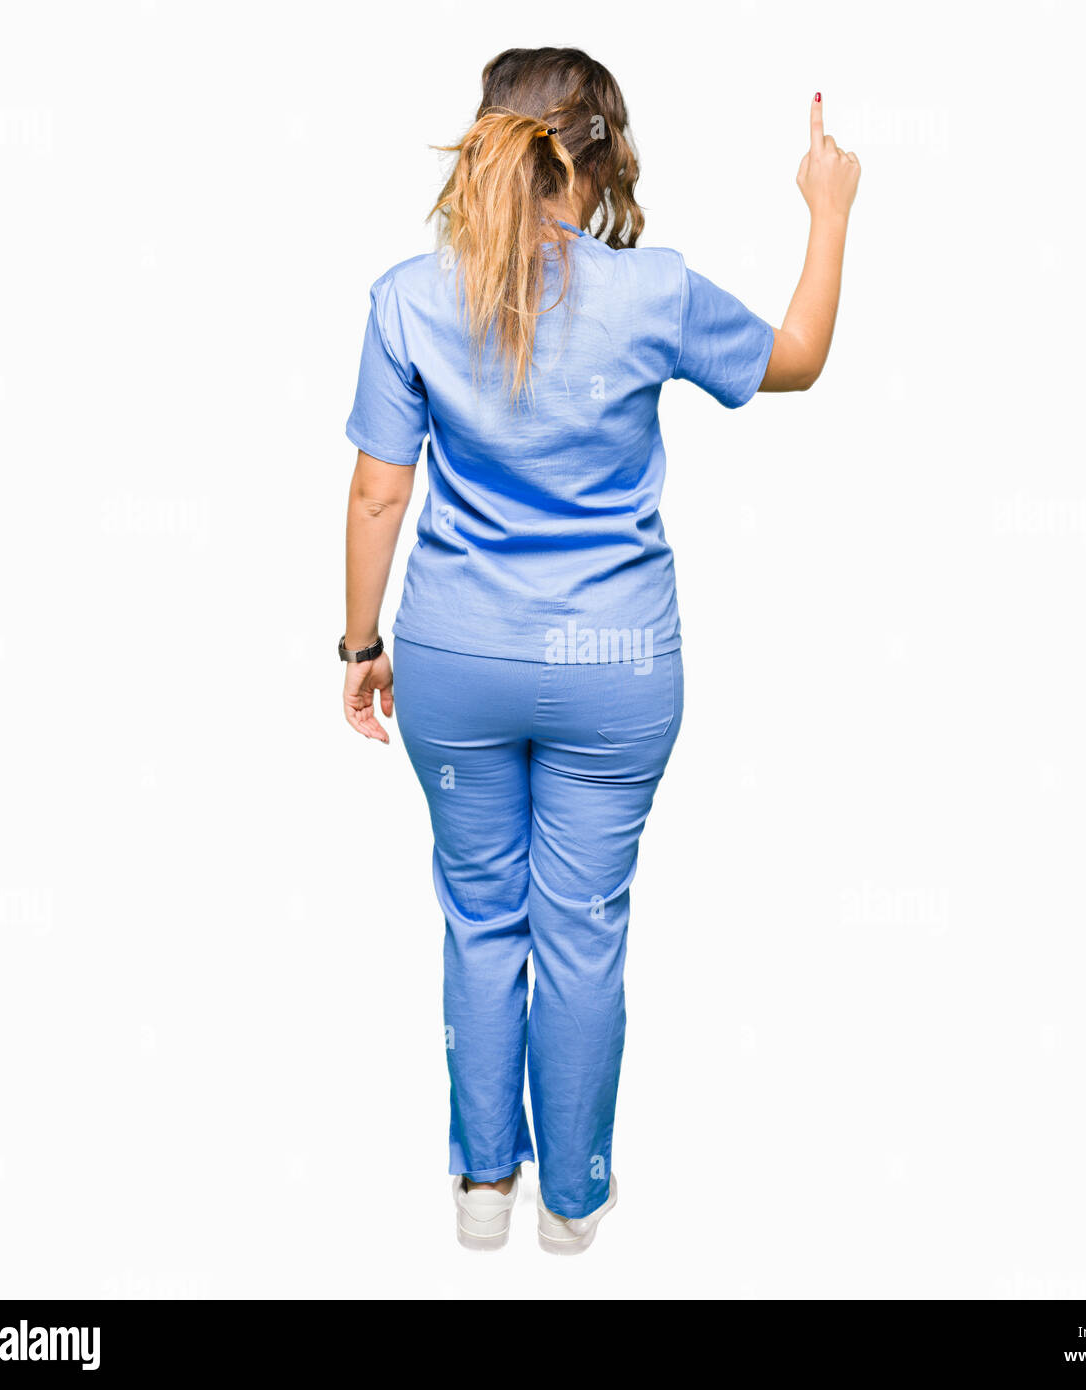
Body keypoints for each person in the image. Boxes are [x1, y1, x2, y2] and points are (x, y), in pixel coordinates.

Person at [340, 47, 860, 1253]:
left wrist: (360, 644)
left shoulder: (409, 296)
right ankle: (572, 1201)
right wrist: (826, 212)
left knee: (480, 914)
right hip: (615, 670)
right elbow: (796, 359)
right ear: (606, 157)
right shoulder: (657, 292)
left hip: (458, 663)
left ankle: (481, 1189)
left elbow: (378, 495)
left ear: (485, 145)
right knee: (582, 924)